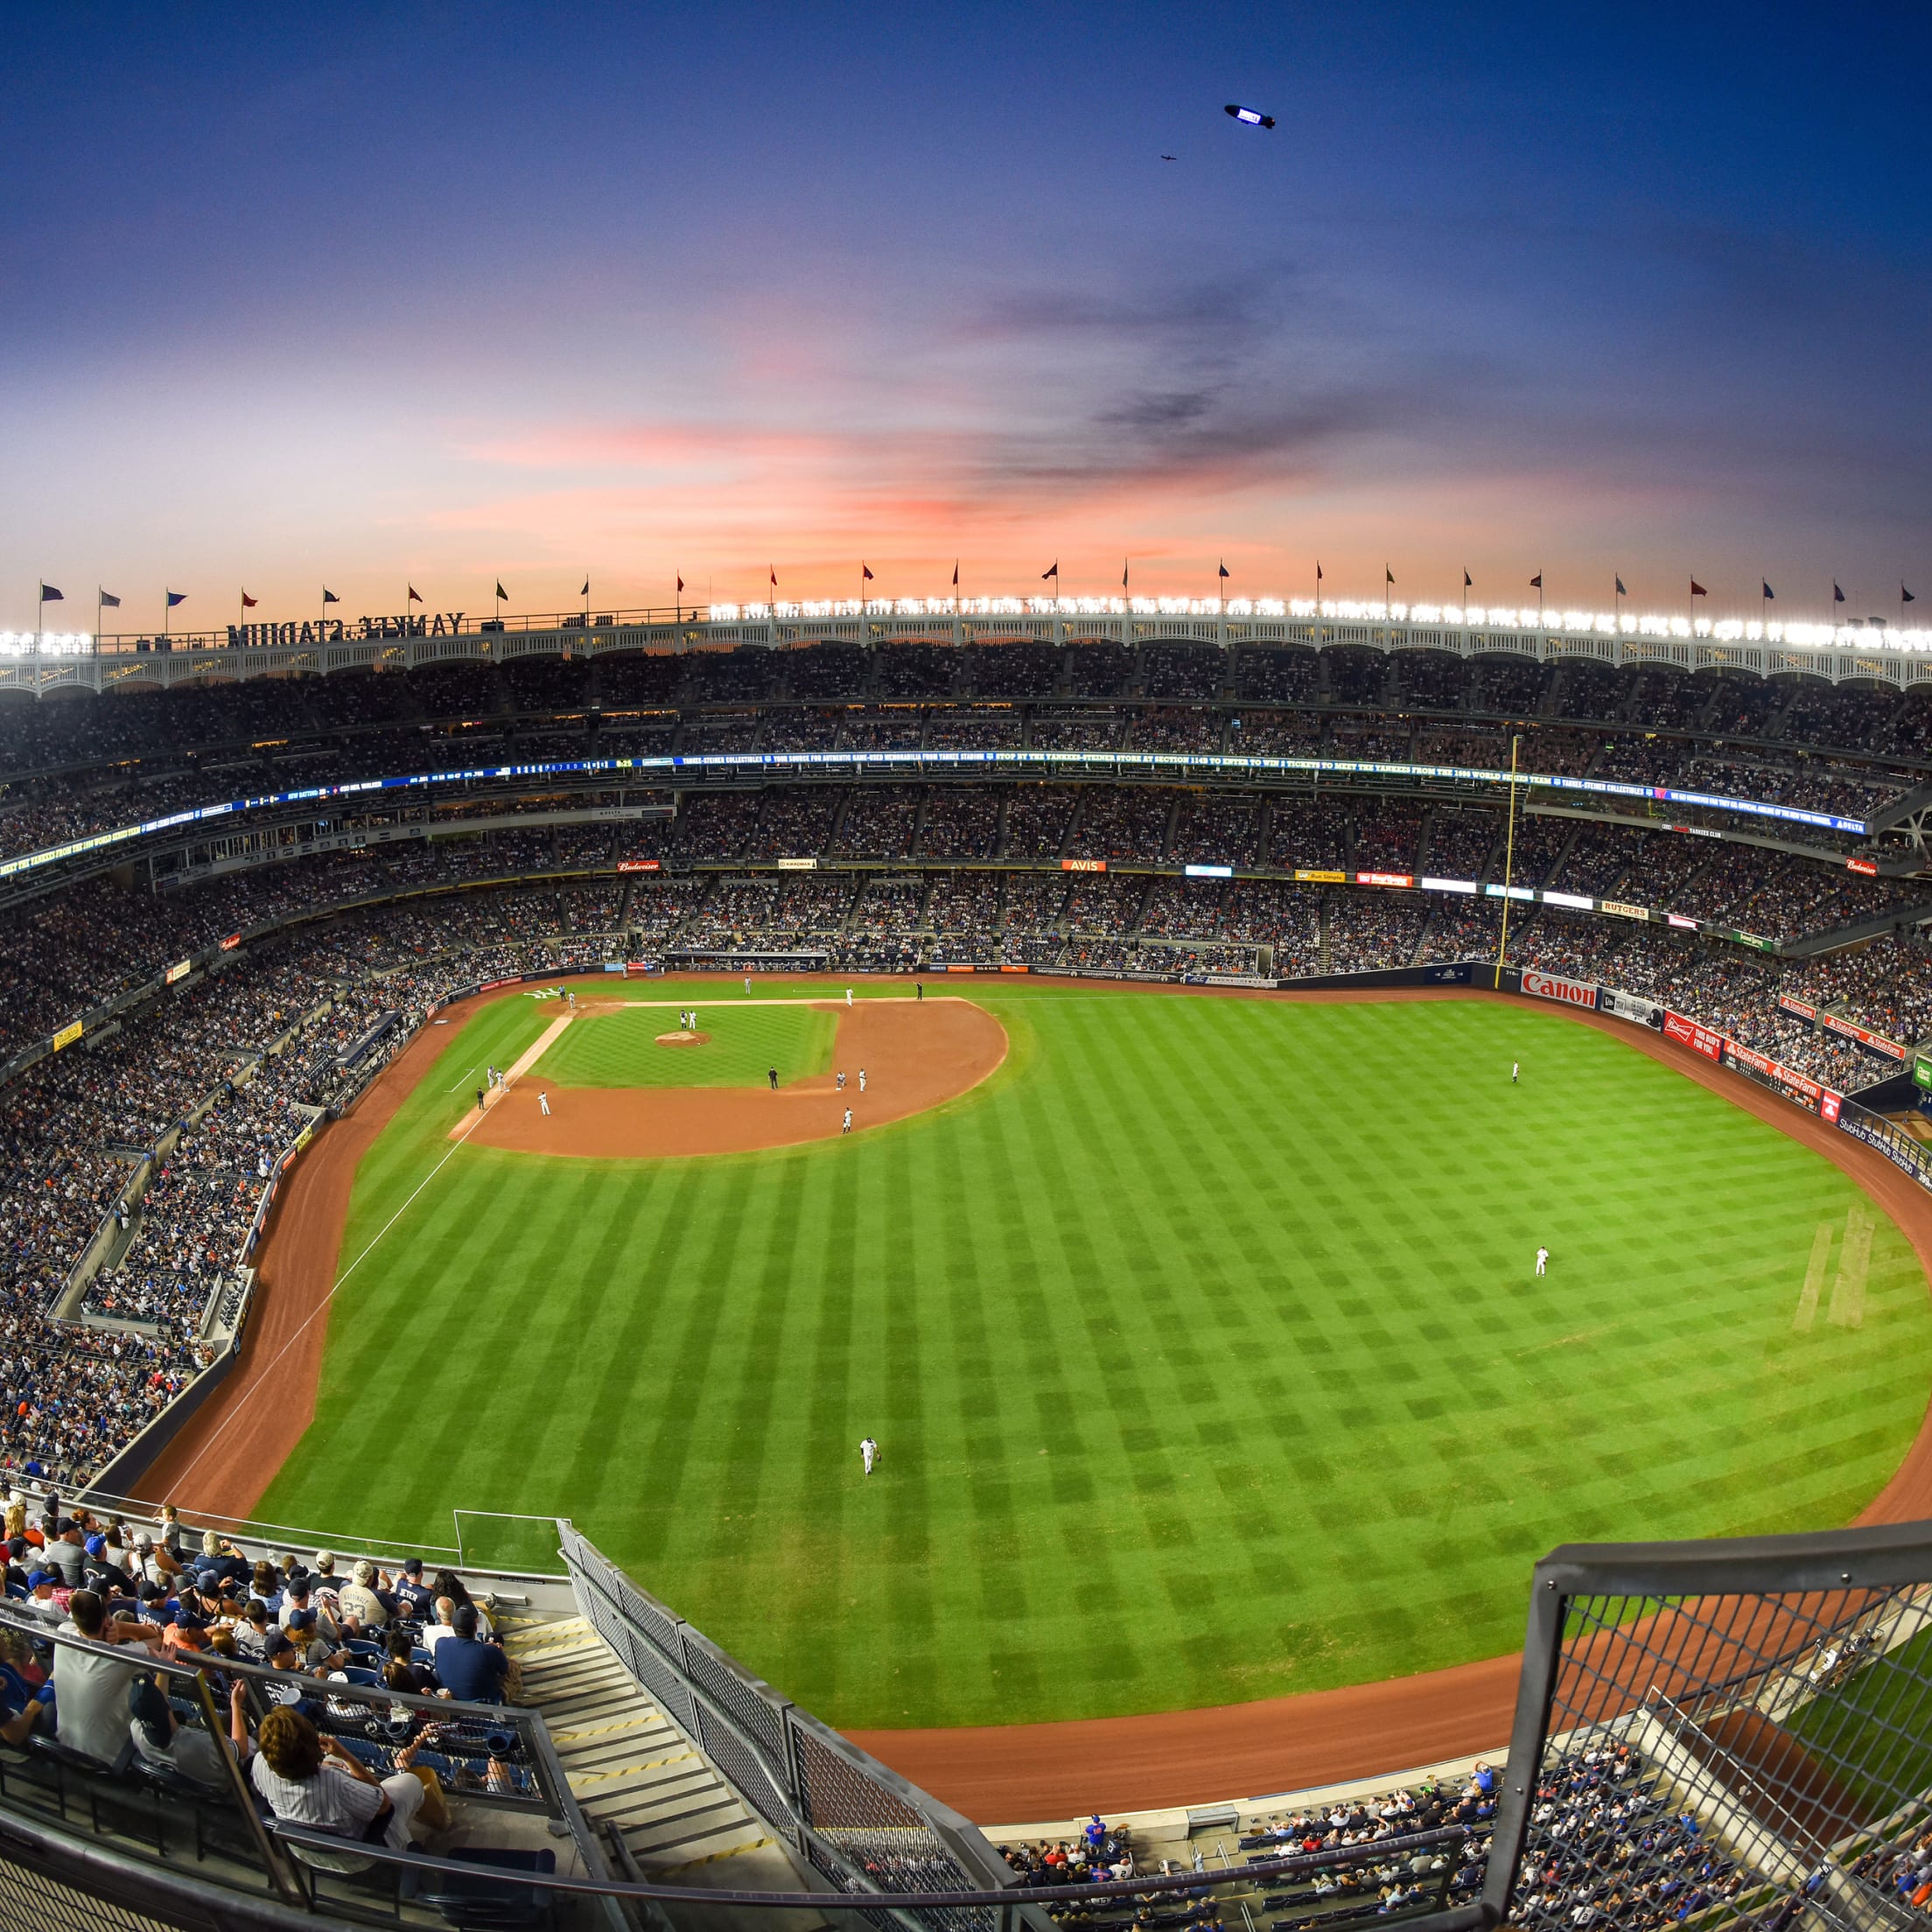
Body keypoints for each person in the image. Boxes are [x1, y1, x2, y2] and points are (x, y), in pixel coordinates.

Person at [250, 1704, 445, 1852]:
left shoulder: (259, 1762)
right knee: (411, 1781)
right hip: (357, 1853)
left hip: (305, 1848)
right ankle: (411, 1845)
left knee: (332, 1759)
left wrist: (327, 1765)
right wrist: (346, 1756)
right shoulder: (334, 1781)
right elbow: (383, 1804)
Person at [54, 1589, 165, 1763]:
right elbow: (156, 1640)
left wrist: (112, 1628)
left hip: (65, 1749)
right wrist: (120, 1628)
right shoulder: (121, 1657)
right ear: (106, 1620)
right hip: (109, 1760)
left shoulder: (62, 1632)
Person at [130, 1673, 251, 1784]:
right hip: (232, 1781)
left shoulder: (136, 1732)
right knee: (247, 1723)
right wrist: (236, 1703)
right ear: (166, 1705)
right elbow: (241, 1749)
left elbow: (155, 1707)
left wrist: (164, 1670)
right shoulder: (201, 1744)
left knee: (227, 1718)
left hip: (192, 1780)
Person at [432, 1604, 510, 1704]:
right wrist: (496, 1651)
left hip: (452, 1701)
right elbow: (505, 1669)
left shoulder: (440, 1643)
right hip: (485, 1705)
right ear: (475, 1627)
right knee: (513, 1667)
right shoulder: (491, 1650)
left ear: (453, 1626)